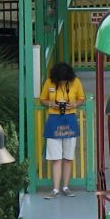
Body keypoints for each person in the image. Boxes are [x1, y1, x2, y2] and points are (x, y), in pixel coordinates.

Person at [39, 59, 86, 197]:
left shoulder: (75, 82)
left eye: (65, 81)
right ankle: (55, 189)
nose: (62, 83)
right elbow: (43, 99)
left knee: (68, 157)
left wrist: (74, 105)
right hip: (54, 120)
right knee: (56, 158)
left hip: (70, 119)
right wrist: (51, 104)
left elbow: (81, 98)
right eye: (60, 81)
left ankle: (65, 187)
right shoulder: (49, 82)